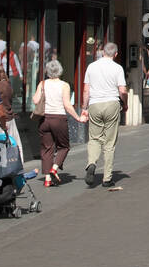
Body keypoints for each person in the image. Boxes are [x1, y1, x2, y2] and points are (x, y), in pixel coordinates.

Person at [81, 42, 129, 187]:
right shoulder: (117, 68)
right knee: (109, 142)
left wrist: (84, 108)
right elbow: (122, 90)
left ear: (102, 52)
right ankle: (107, 178)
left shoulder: (91, 66)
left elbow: (86, 90)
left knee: (94, 138)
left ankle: (91, 163)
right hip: (112, 104)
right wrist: (125, 104)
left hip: (95, 104)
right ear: (116, 54)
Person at [34, 59, 85, 187]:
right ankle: (54, 168)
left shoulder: (43, 84)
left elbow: (35, 100)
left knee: (47, 148)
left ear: (48, 71)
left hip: (44, 119)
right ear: (60, 71)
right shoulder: (64, 85)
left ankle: (47, 179)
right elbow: (67, 105)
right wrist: (77, 117)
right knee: (64, 146)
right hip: (59, 118)